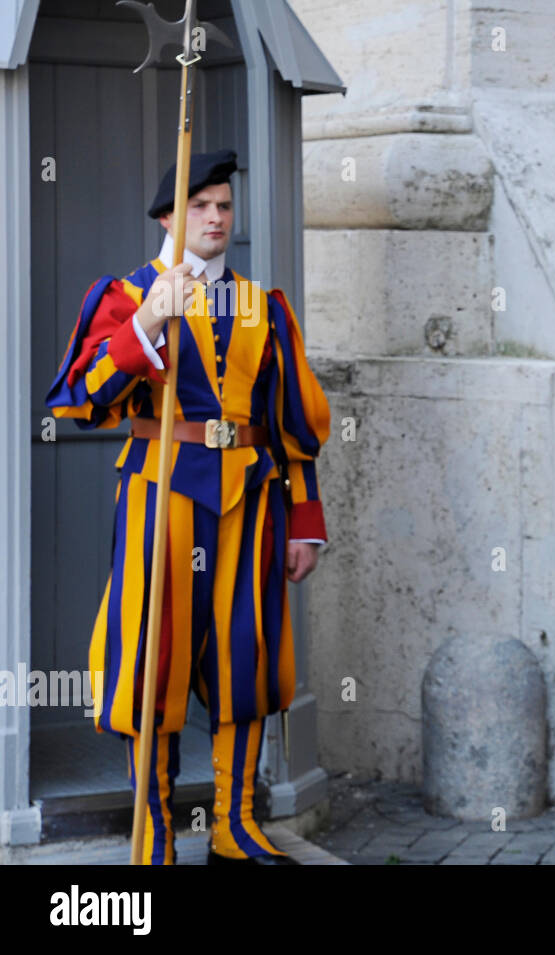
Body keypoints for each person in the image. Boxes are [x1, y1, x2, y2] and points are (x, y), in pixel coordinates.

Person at [46, 148, 331, 865]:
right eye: (199, 206)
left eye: (224, 206)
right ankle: (156, 833)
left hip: (250, 498)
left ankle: (236, 826)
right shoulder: (127, 294)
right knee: (153, 657)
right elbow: (82, 396)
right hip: (161, 491)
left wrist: (305, 522)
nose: (215, 217)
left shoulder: (263, 307)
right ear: (168, 218)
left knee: (247, 654)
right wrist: (146, 324)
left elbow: (294, 427)